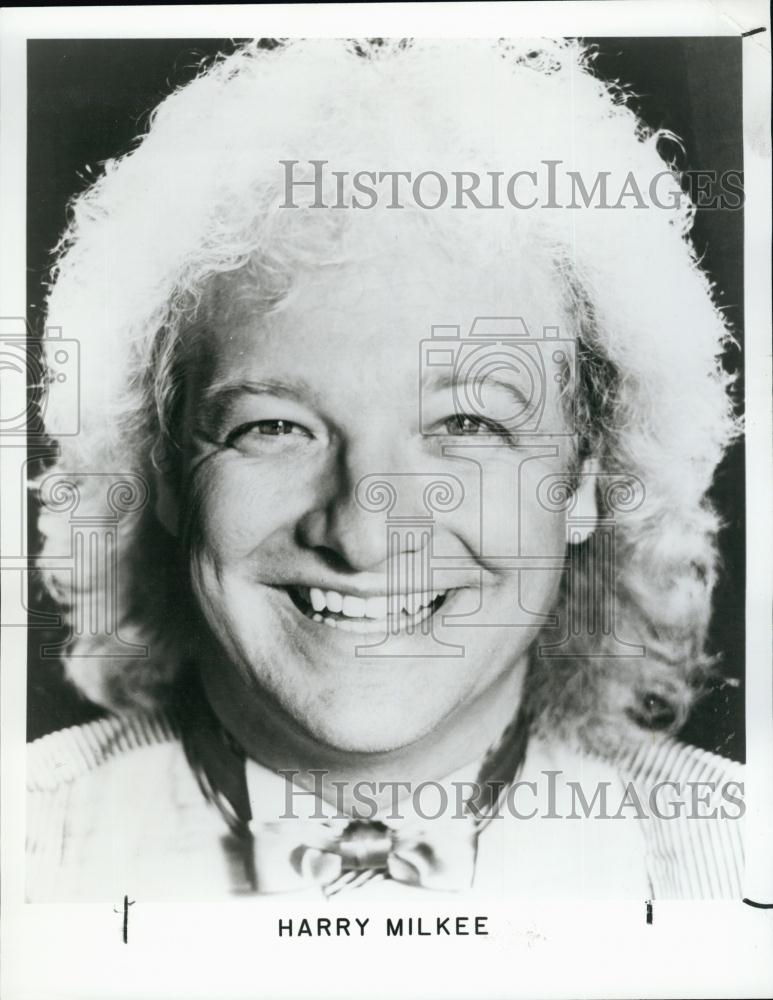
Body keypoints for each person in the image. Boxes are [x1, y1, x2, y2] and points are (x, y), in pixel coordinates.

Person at [27, 37, 744, 902]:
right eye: (274, 427)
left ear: (589, 478)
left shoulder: (746, 861)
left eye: (466, 423)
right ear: (168, 473)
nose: (366, 536)